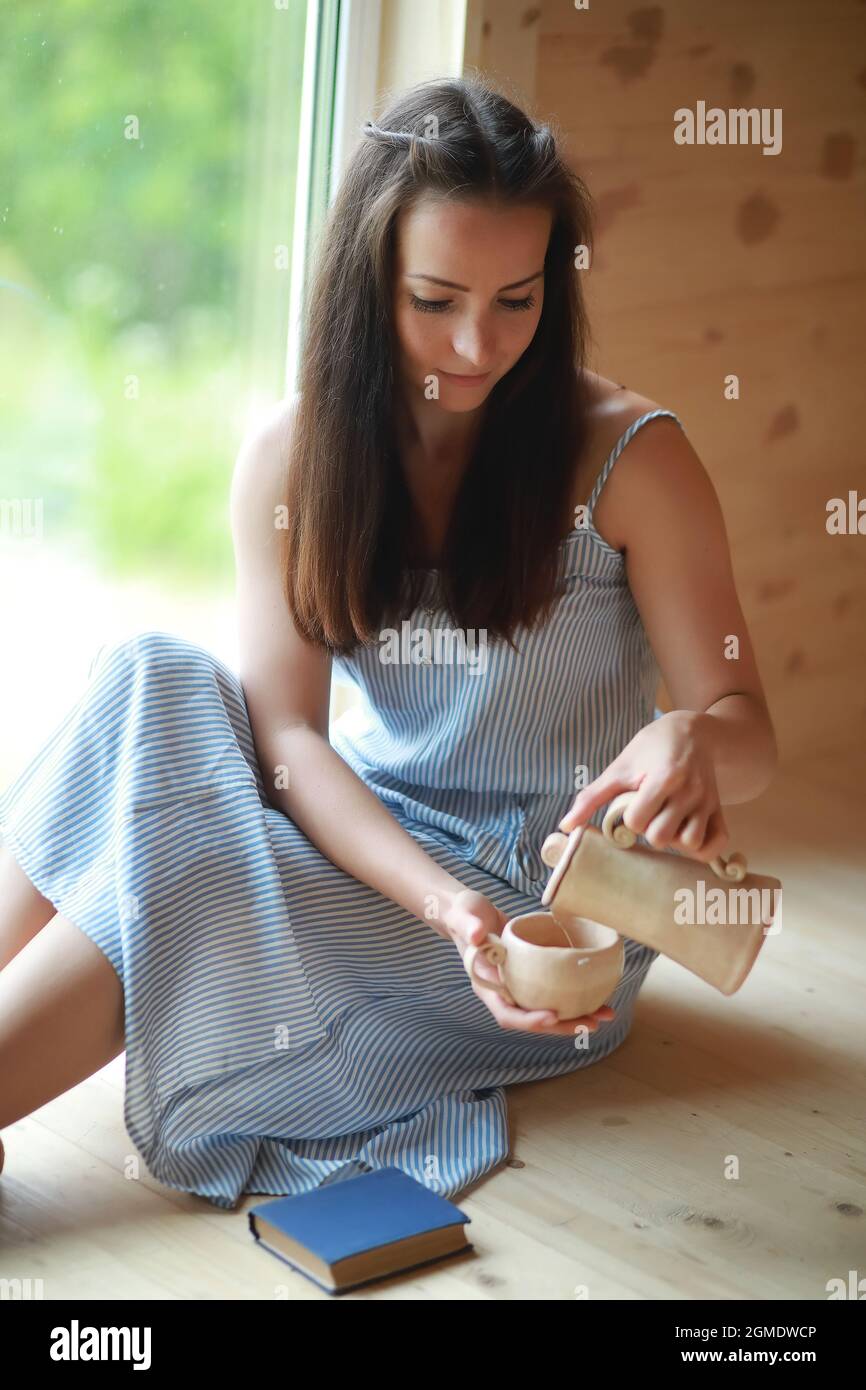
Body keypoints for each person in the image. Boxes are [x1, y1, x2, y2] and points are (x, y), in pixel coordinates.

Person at [0, 75, 777, 1208]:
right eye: (434, 298)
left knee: (200, 876)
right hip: (386, 853)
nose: (477, 343)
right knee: (147, 674)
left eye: (517, 300)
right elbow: (288, 747)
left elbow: (749, 729)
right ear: (367, 283)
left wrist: (693, 737)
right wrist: (434, 901)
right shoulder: (293, 455)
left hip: (538, 915)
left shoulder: (631, 458)